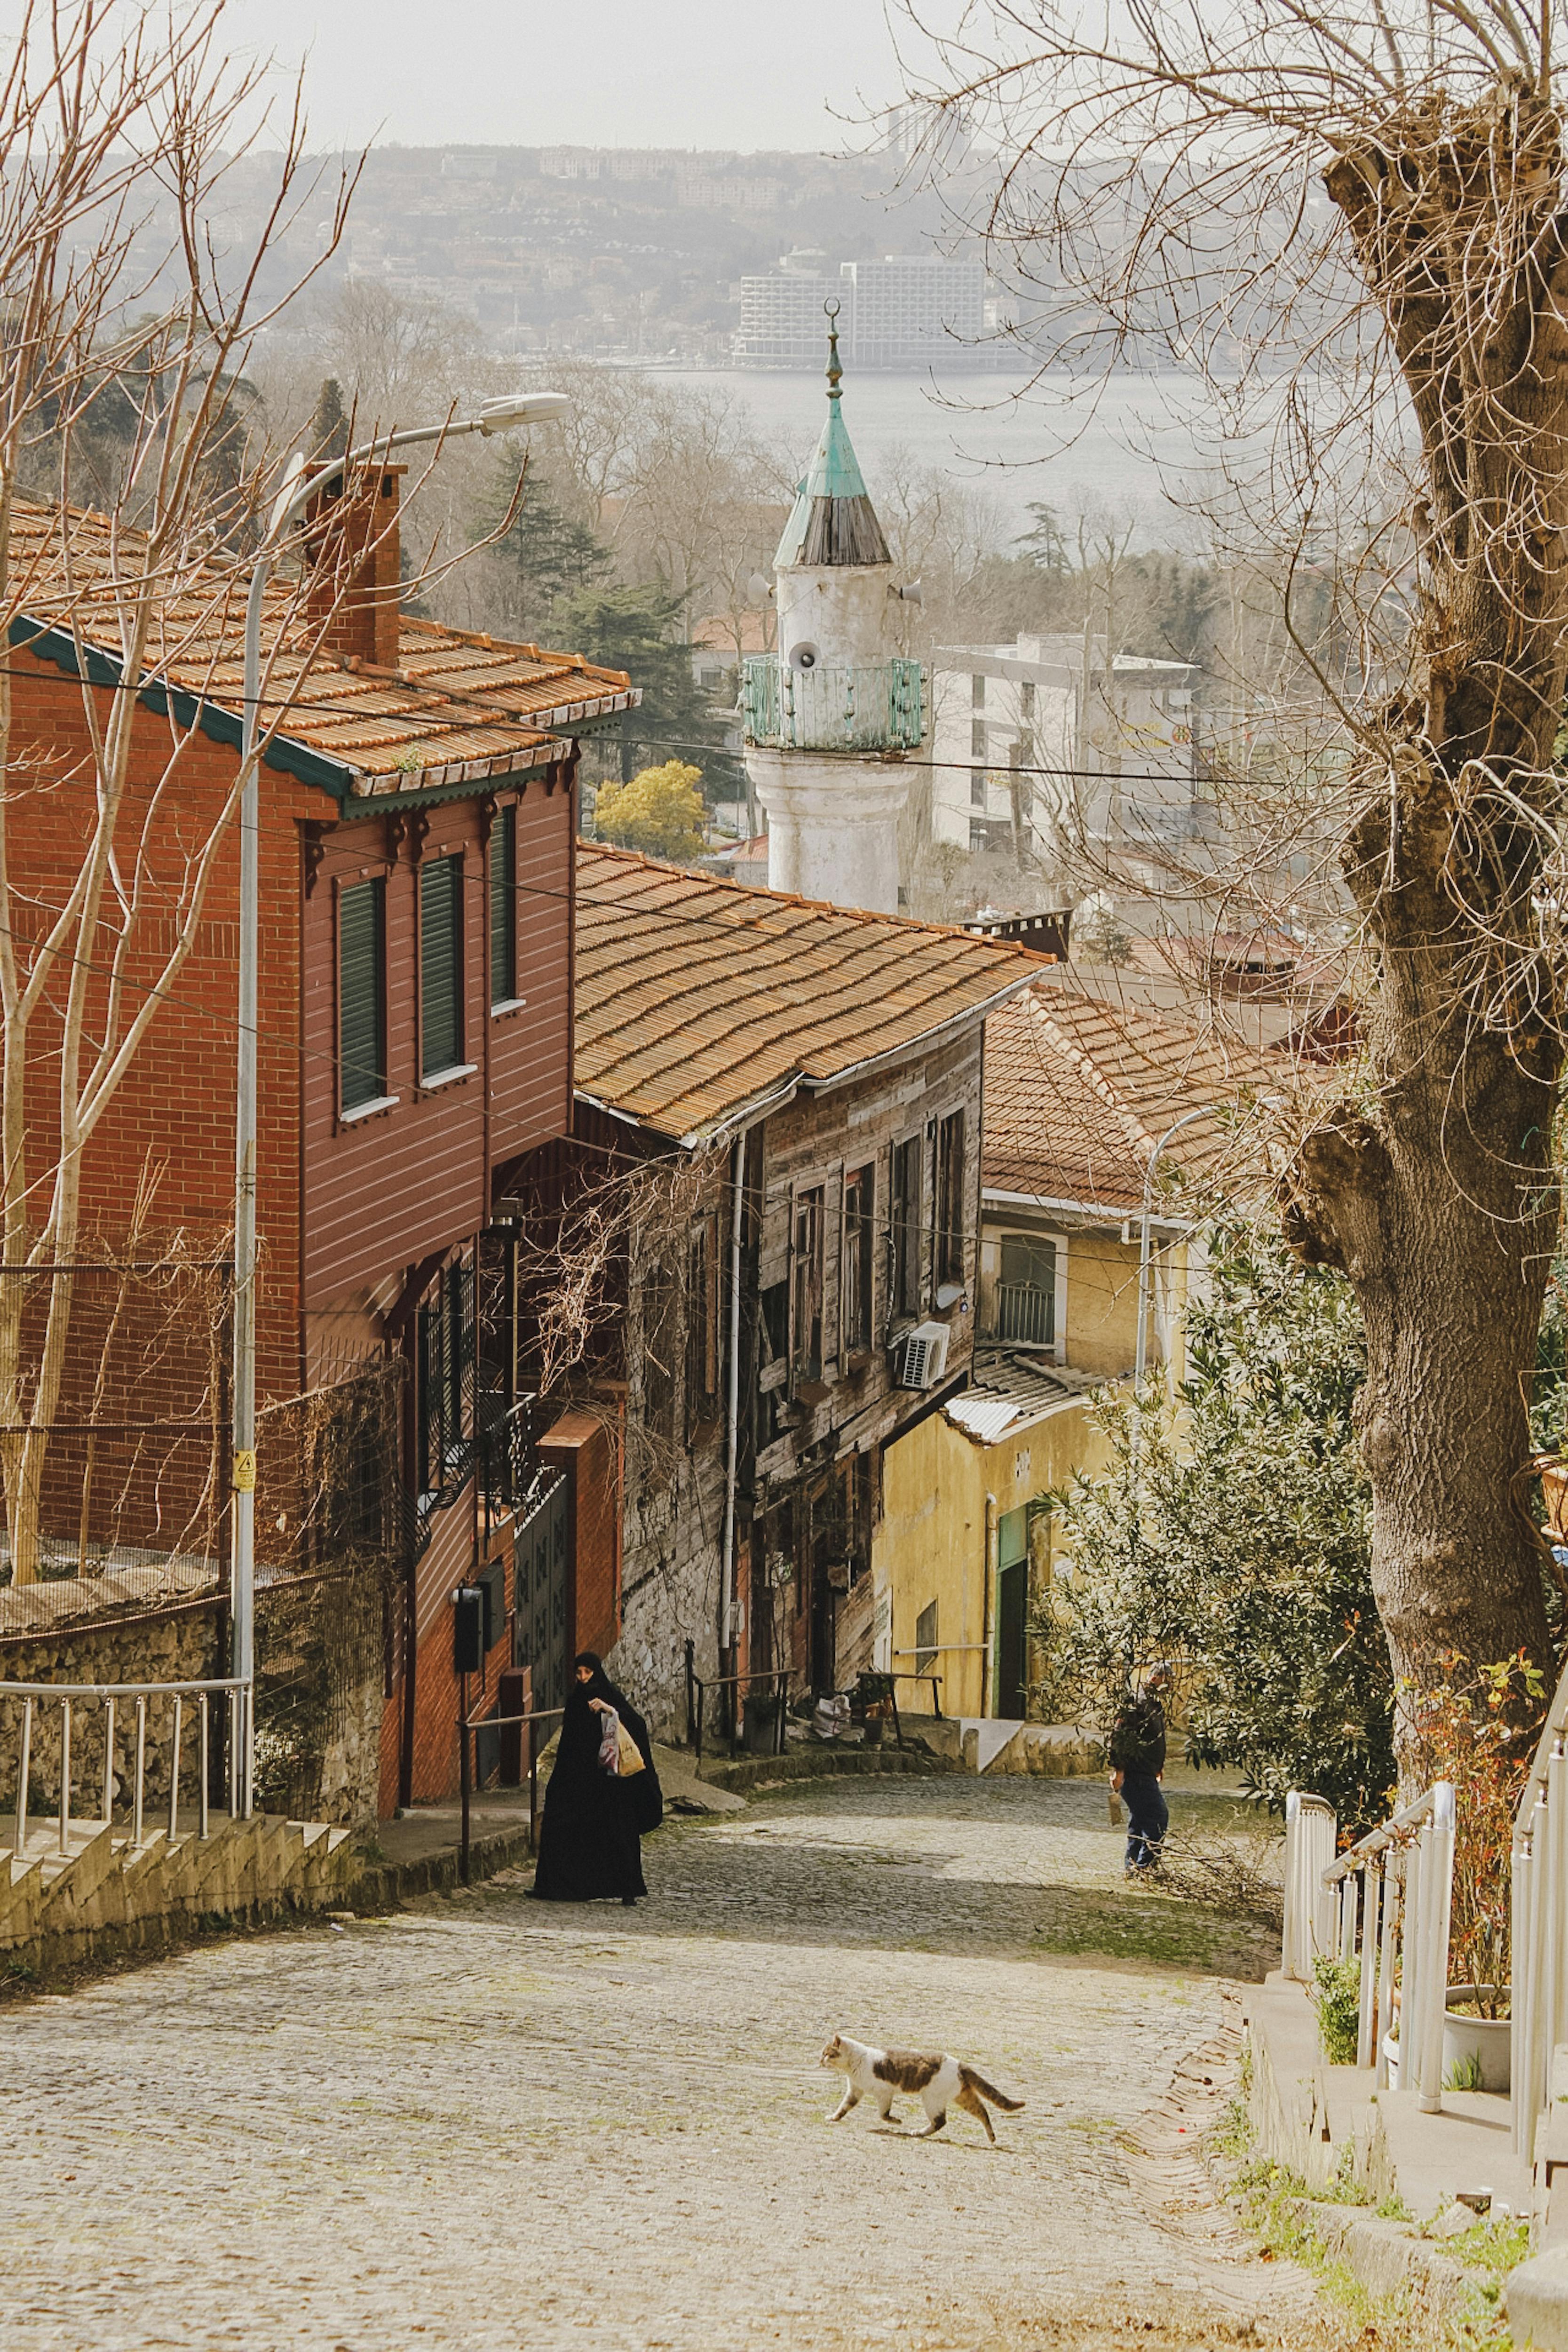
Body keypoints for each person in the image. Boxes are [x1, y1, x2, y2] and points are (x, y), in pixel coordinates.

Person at [531, 1652, 662, 1905]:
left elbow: (635, 1724)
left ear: (596, 1672)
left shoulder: (609, 1696)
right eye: (578, 1673)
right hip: (579, 1778)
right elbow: (569, 1743)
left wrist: (609, 1711)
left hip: (610, 1781)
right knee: (562, 1823)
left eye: (587, 1673)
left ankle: (627, 1889)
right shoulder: (575, 1701)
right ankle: (558, 1886)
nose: (583, 1678)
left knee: (617, 1831)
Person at [1109, 1664, 1172, 1877]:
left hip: (1147, 1772)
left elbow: (1154, 1738)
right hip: (1135, 1774)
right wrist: (1118, 1770)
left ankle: (1133, 1868)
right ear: (1156, 1678)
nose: (1170, 1686)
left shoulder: (1154, 1705)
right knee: (1158, 1818)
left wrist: (1158, 1766)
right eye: (1168, 1680)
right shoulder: (1137, 1704)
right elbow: (1119, 1736)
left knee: (1140, 1821)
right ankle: (1145, 1867)